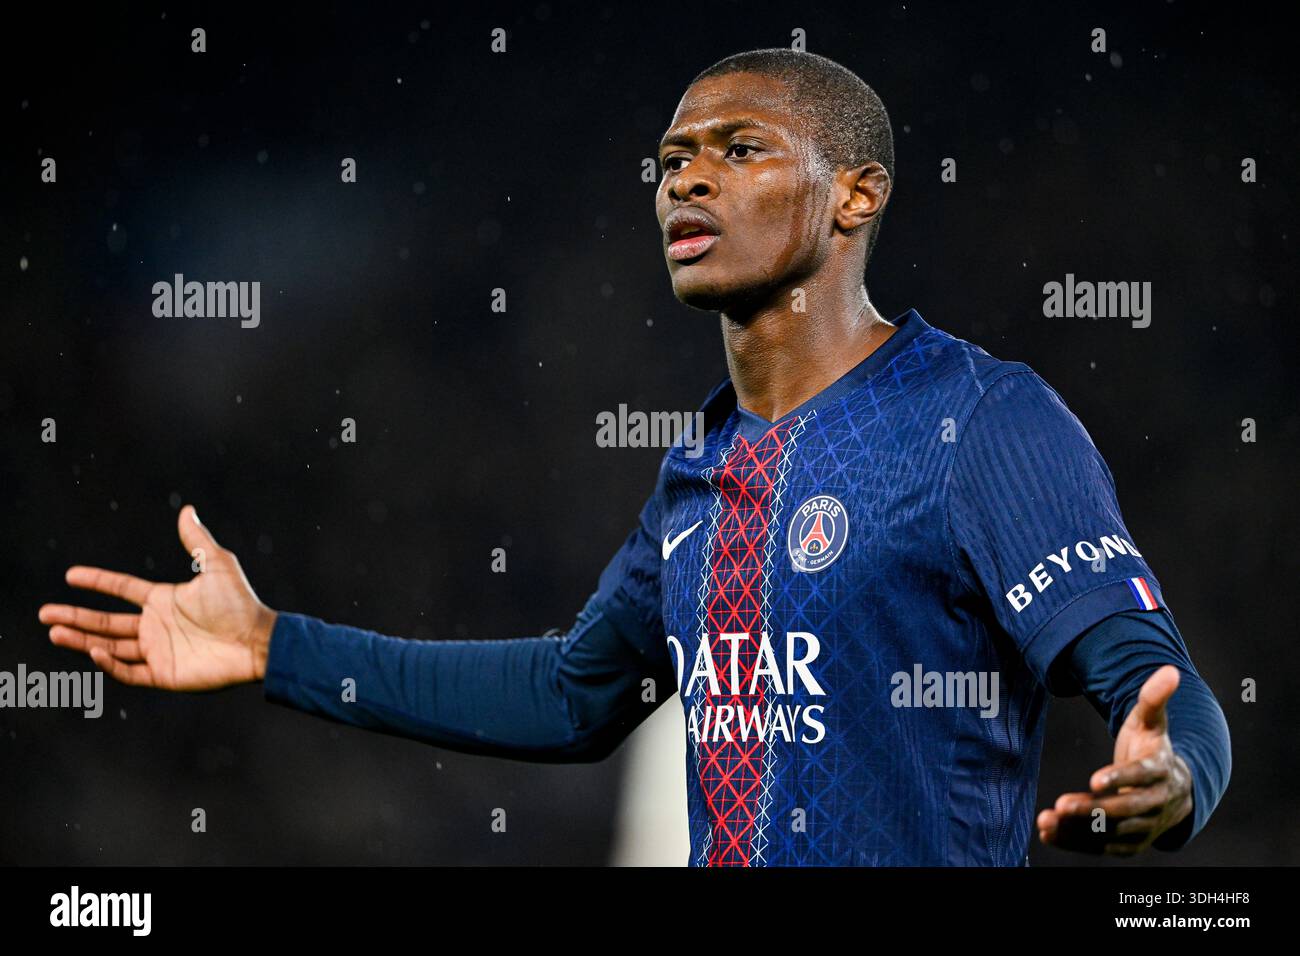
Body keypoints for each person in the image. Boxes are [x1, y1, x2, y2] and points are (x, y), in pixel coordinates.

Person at [39, 48, 1230, 866]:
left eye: (738, 148)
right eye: (670, 159)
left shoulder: (980, 418)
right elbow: (573, 693)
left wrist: (1169, 784)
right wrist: (273, 646)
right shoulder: (700, 477)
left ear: (854, 194)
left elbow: (1152, 677)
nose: (685, 177)